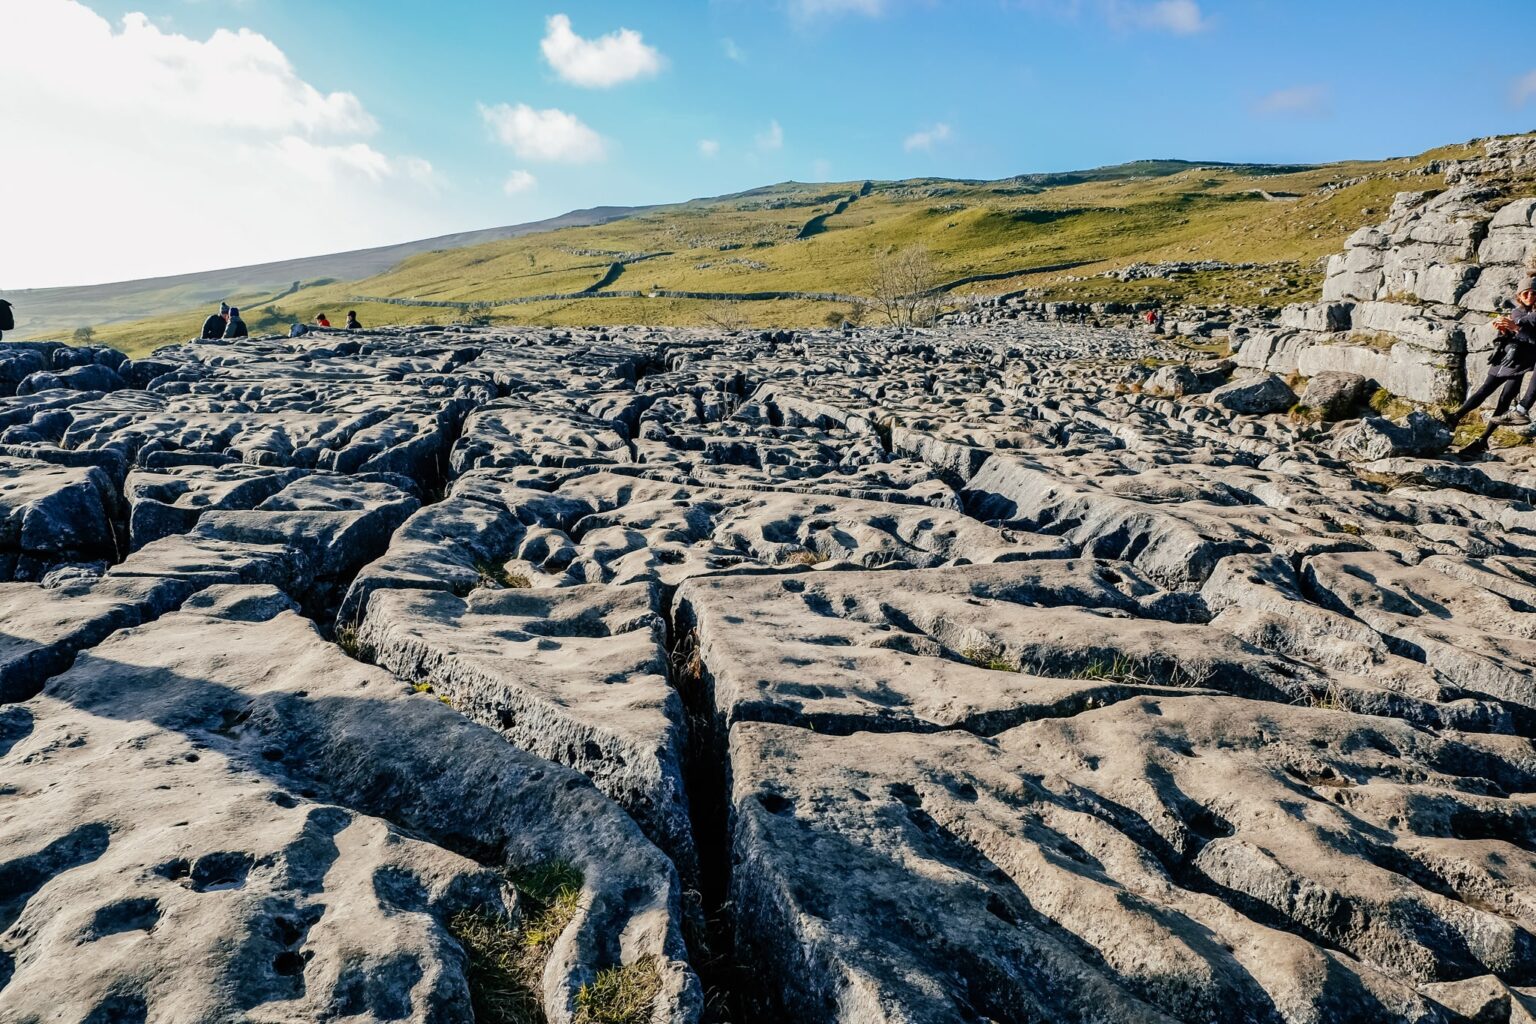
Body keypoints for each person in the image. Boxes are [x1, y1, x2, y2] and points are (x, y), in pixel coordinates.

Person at [1441, 279, 1536, 458]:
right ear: (1519, 296)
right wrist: (1503, 330)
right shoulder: (1516, 312)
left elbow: (1531, 338)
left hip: (1521, 364)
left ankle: (1483, 438)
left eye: (1533, 293)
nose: (1530, 296)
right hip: (1505, 361)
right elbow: (1511, 334)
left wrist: (1516, 329)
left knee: (1504, 401)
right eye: (1526, 293)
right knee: (1484, 390)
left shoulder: (1530, 315)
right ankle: (1456, 417)